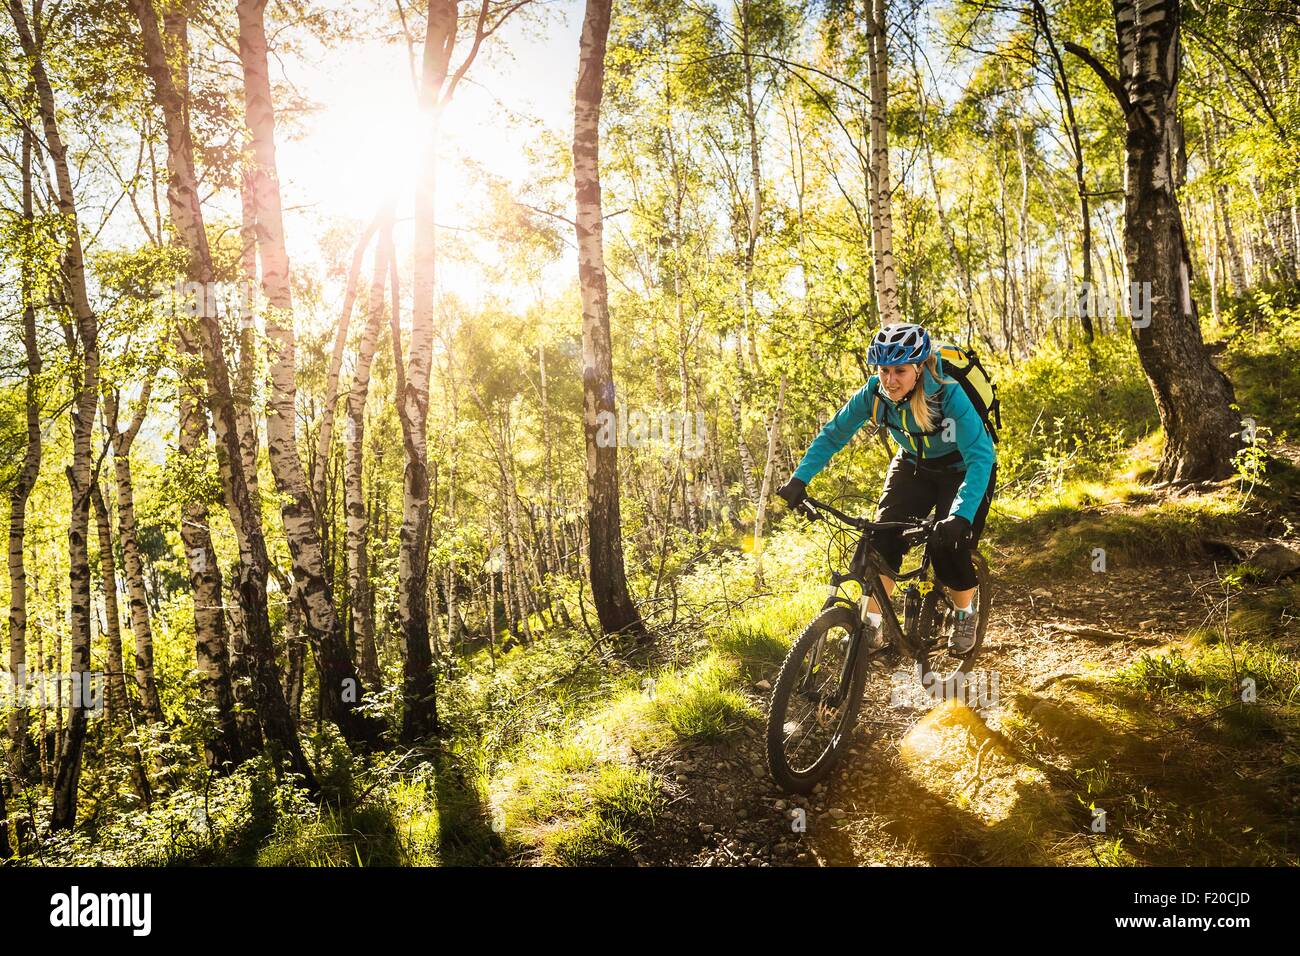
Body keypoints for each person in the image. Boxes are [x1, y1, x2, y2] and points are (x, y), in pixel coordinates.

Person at [776, 322, 997, 653]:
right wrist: (799, 478)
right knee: (881, 539)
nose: (890, 380)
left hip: (962, 468)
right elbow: (834, 434)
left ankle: (965, 613)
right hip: (913, 465)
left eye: (900, 371)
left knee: (946, 546)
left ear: (919, 368)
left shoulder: (947, 393)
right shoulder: (874, 394)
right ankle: (870, 630)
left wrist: (961, 515)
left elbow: (981, 457)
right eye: (884, 370)